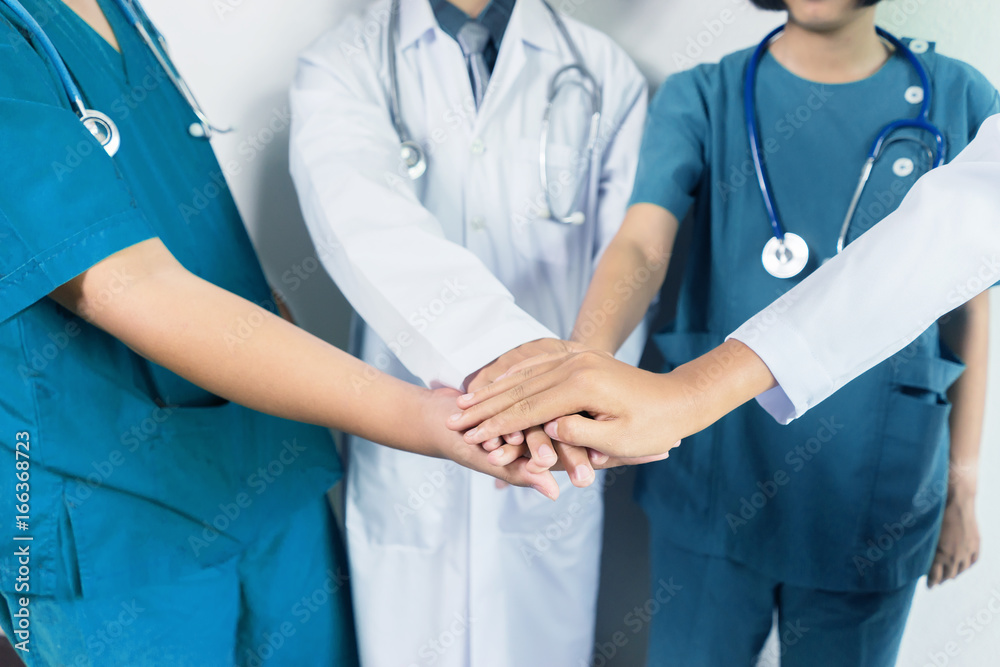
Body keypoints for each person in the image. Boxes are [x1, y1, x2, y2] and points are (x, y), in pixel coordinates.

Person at [0, 0, 646, 663]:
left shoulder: (121, 14)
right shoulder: (12, 38)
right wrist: (449, 410)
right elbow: (130, 283)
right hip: (116, 513)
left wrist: (560, 384)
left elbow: (198, 236)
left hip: (266, 466)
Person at [456, 1, 999, 664]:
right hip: (717, 473)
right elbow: (640, 247)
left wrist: (964, 483)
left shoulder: (962, 95)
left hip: (869, 487)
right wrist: (578, 367)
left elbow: (969, 297)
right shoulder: (704, 94)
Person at [288, 0, 648, 664]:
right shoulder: (348, 61)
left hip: (556, 450)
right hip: (416, 443)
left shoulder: (603, 73)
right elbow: (359, 218)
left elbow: (630, 258)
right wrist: (520, 377)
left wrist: (573, 399)